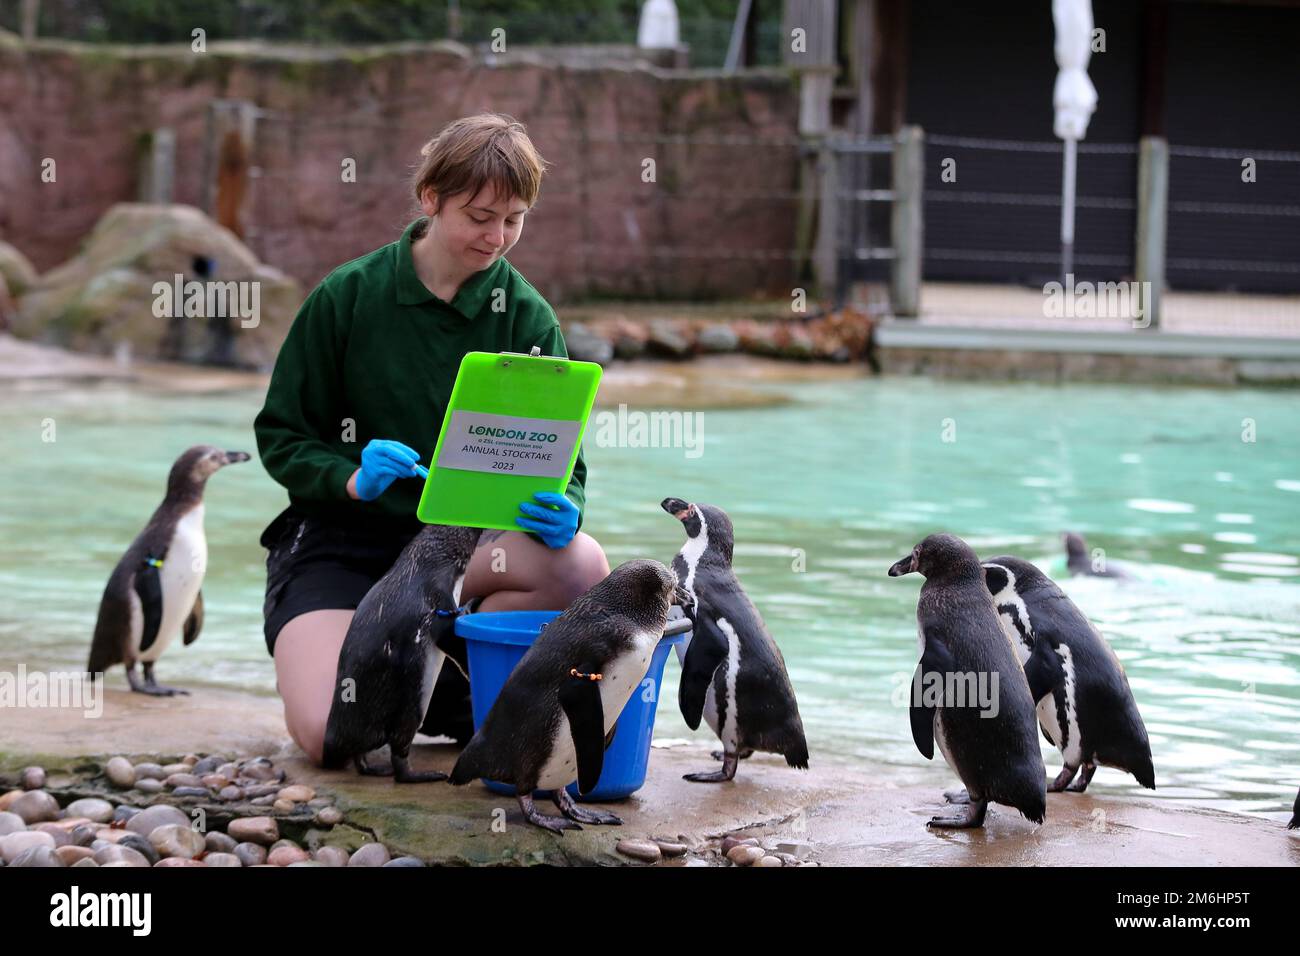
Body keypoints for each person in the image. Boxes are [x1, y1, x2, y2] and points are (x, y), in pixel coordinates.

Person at [253, 113, 610, 765]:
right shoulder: (347, 296)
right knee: (331, 736)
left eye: (515, 219)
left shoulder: (527, 317)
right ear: (430, 199)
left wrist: (566, 506)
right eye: (479, 216)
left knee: (581, 563)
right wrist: (350, 476)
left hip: (455, 556)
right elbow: (282, 435)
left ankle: (451, 684)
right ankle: (418, 691)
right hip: (341, 548)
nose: (497, 237)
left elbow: (565, 461)